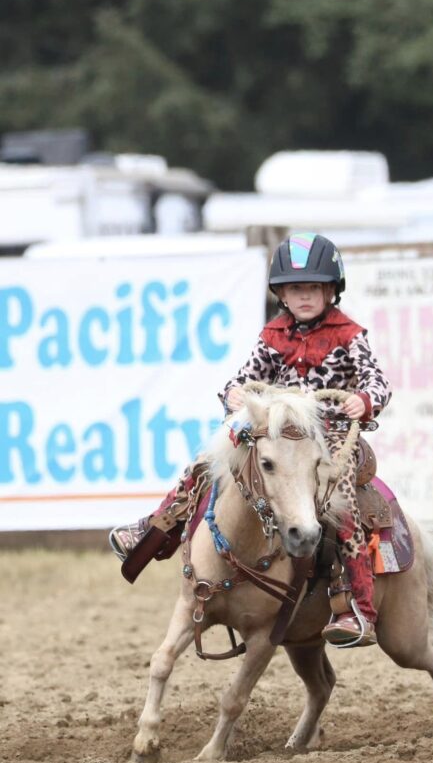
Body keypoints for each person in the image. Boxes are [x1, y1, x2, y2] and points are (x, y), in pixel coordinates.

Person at [109, 232, 391, 647]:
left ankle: (356, 608)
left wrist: (364, 401)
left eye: (314, 287)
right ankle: (155, 530)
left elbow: (377, 381)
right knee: (208, 461)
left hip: (328, 437)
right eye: (296, 288)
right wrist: (235, 394)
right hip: (275, 431)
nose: (305, 296)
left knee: (343, 504)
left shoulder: (350, 334)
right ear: (281, 293)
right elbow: (243, 377)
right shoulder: (273, 335)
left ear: (332, 291)